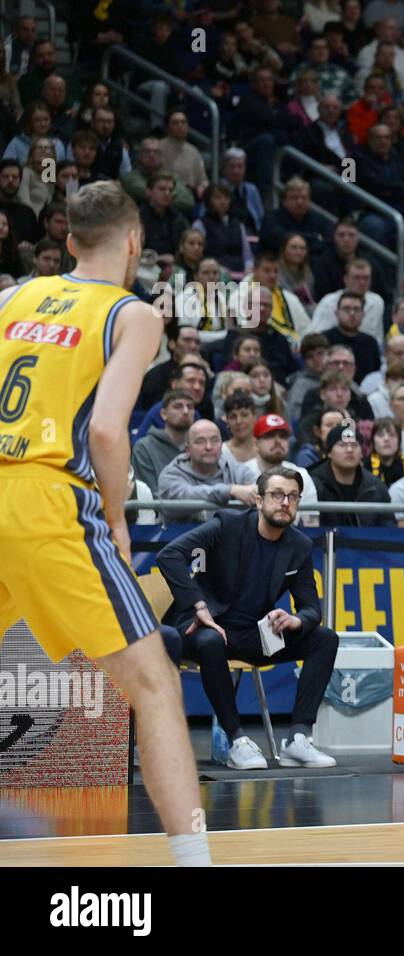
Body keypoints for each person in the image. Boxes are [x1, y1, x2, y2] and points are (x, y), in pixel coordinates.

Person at [0, 180, 211, 865]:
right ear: (134, 243)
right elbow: (110, 434)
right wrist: (116, 519)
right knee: (152, 683)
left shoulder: (10, 299)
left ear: (66, 242)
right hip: (50, 498)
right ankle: (193, 858)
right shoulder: (133, 314)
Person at [155, 468, 339, 770]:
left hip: (253, 636)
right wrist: (198, 604)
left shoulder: (299, 545)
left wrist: (295, 620)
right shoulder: (226, 525)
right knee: (212, 641)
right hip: (200, 629)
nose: (285, 502)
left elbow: (311, 608)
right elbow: (170, 555)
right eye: (277, 495)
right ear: (258, 500)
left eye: (293, 497)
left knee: (324, 638)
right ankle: (236, 740)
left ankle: (298, 738)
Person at [157, 419, 259, 522]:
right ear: (188, 450)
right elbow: (185, 496)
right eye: (200, 441)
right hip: (180, 535)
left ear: (221, 445)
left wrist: (255, 491)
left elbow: (259, 486)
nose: (209, 447)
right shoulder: (170, 474)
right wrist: (230, 491)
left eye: (214, 440)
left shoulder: (234, 468)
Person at [308, 419, 395, 527]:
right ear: (329, 453)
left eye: (354, 445)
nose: (349, 449)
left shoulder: (375, 486)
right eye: (342, 445)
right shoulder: (313, 485)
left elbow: (389, 529)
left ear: (362, 454)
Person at [131, 389, 193, 493]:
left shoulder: (201, 446)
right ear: (163, 414)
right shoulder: (144, 447)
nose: (186, 411)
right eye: (178, 406)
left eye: (190, 407)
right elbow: (148, 494)